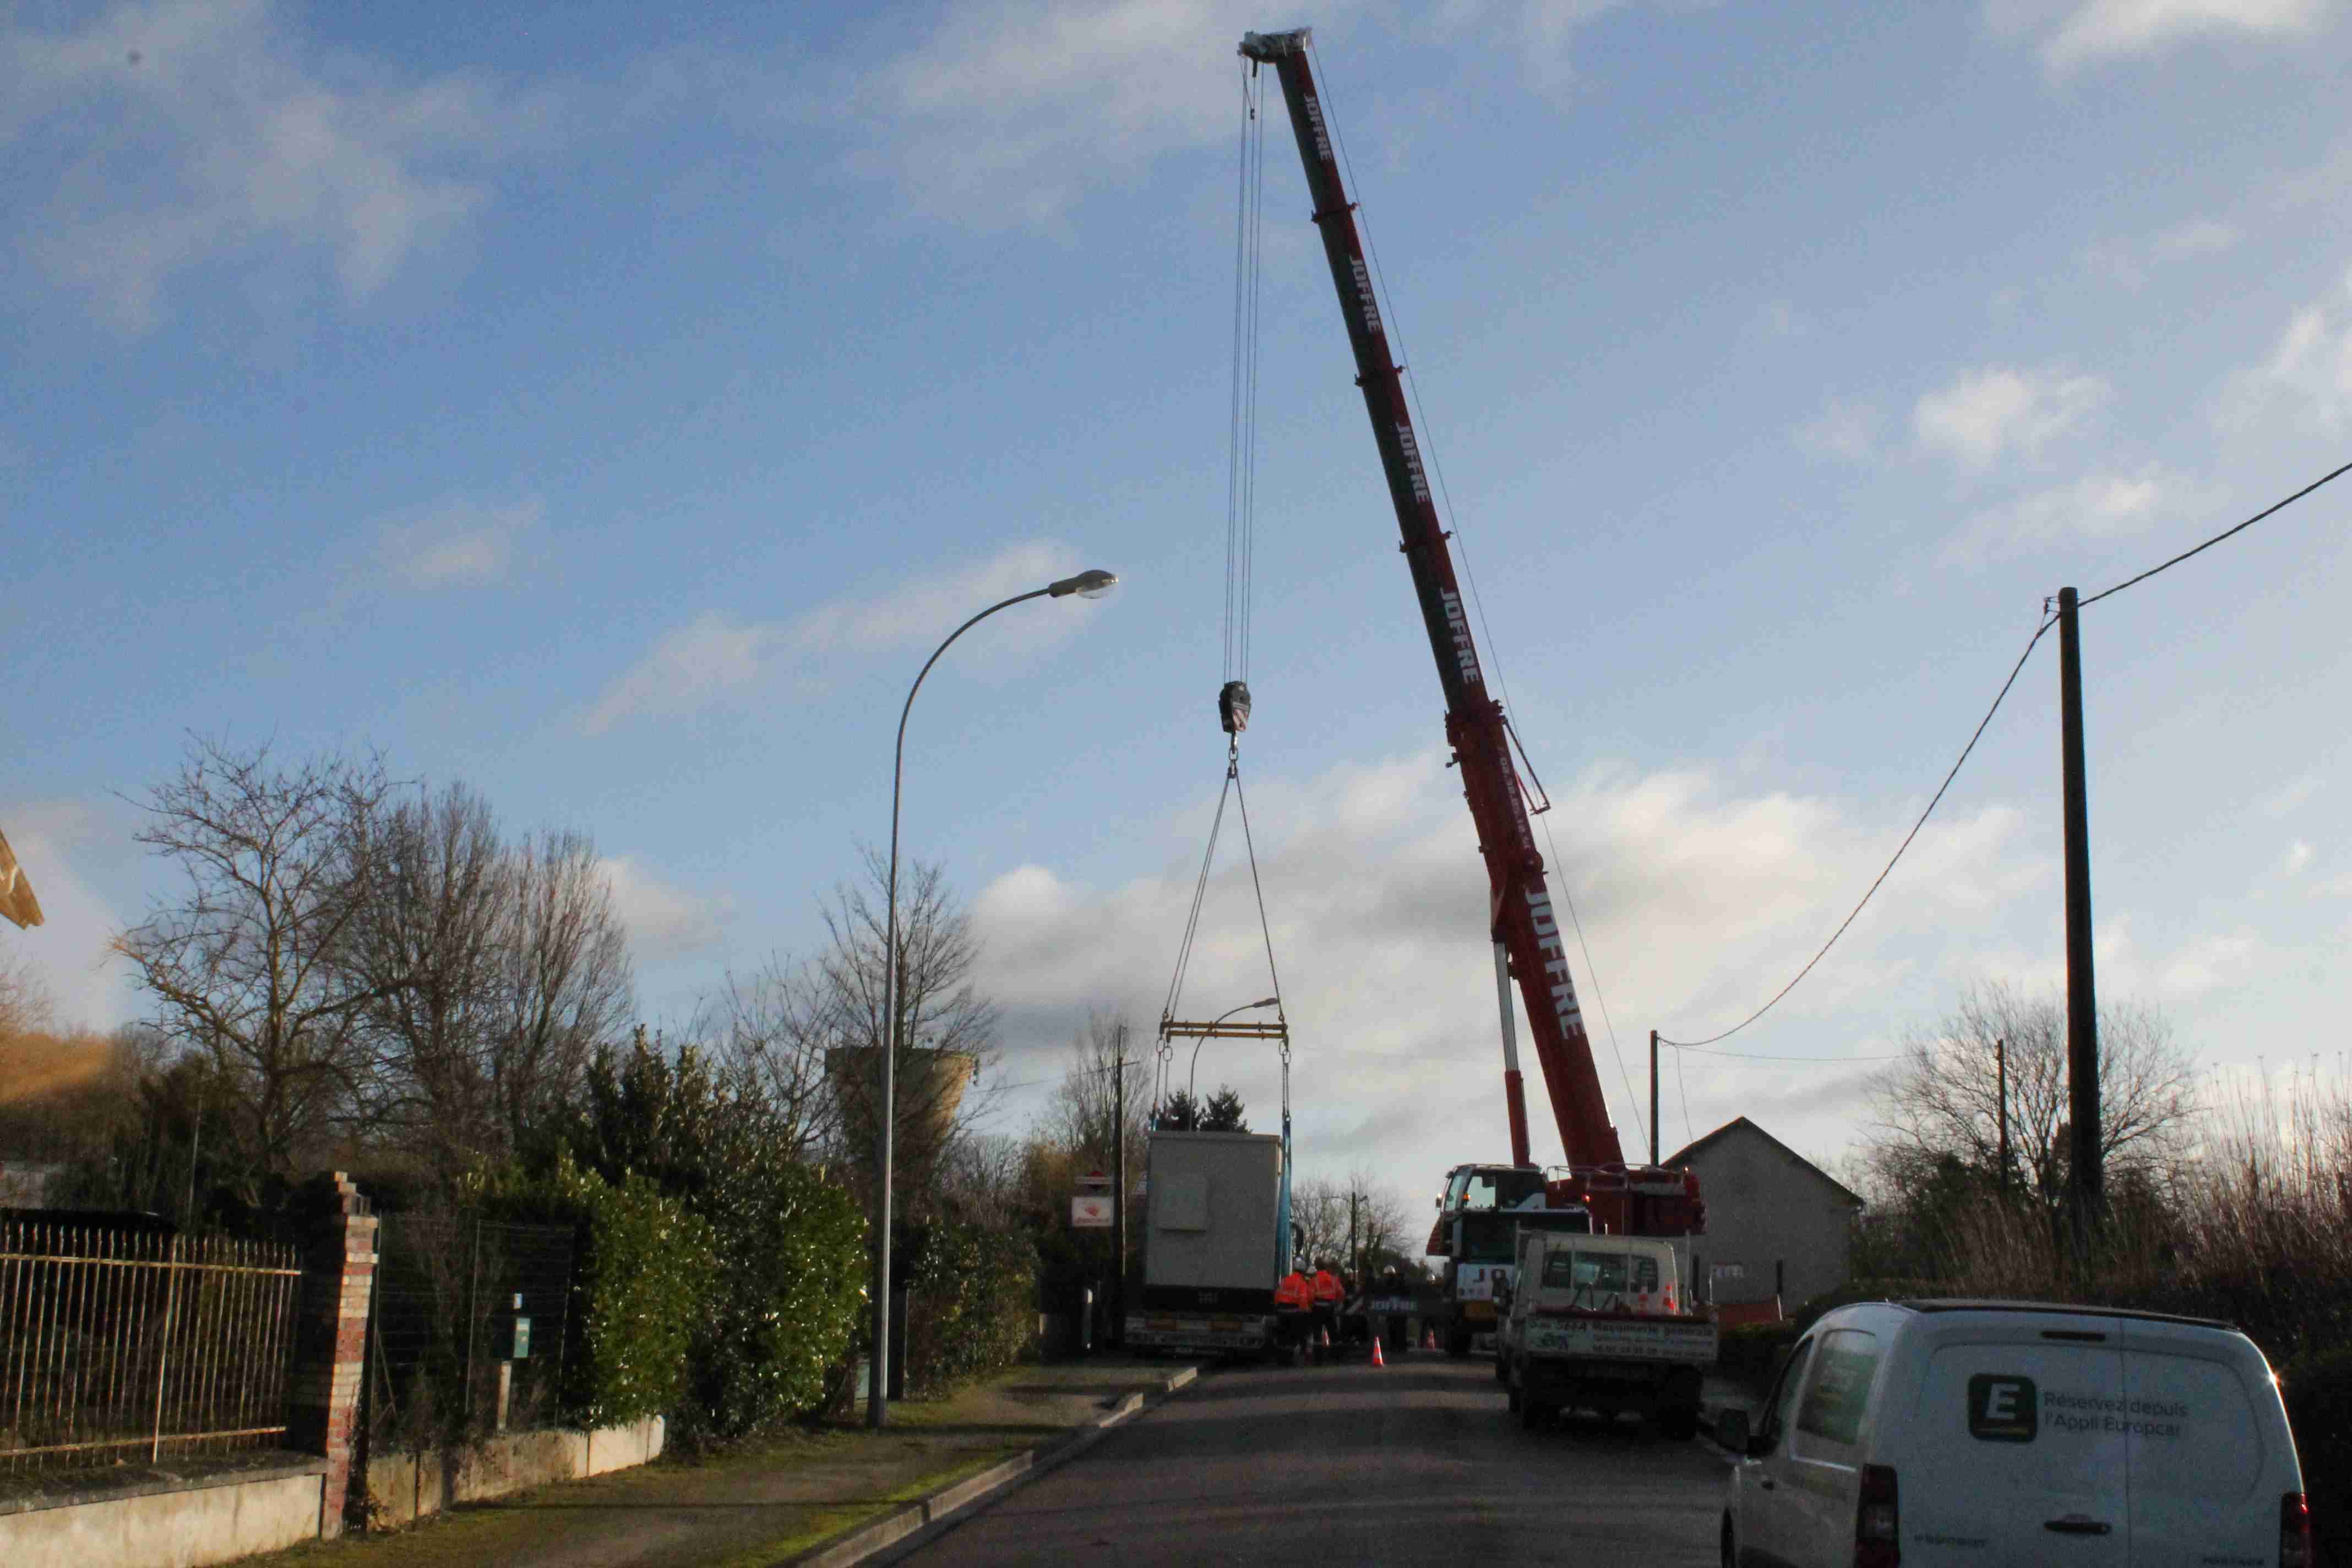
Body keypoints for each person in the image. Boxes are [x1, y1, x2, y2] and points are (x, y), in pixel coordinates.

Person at [1275, 1260, 1314, 1354]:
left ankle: (1281, 1357)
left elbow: (1277, 1296)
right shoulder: (1302, 1283)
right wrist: (1307, 1311)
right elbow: (1303, 1300)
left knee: (1283, 1335)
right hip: (1294, 1312)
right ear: (1303, 1271)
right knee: (1295, 1335)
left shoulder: (1285, 1280)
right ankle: (1292, 1357)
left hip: (1281, 1311)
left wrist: (1277, 1308)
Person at [1310, 1259, 1344, 1353]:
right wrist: (1337, 1303)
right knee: (1333, 1332)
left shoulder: (1314, 1281)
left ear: (1316, 1268)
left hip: (1318, 1309)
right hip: (1330, 1308)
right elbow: (1341, 1293)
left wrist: (1312, 1306)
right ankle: (1337, 1356)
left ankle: (1318, 1359)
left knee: (1317, 1334)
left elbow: (1310, 1297)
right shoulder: (1333, 1279)